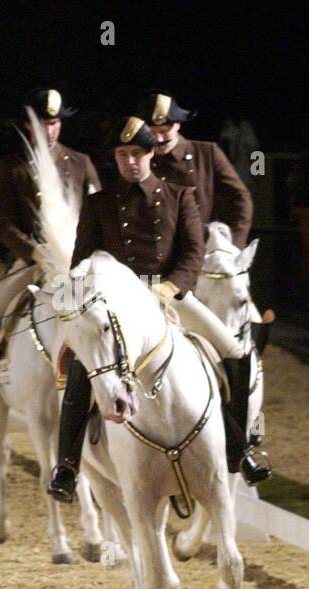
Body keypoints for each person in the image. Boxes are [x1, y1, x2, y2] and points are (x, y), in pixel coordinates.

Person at [48, 117, 271, 503]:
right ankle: (67, 465)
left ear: (151, 153)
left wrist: (170, 287)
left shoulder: (179, 196)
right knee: (85, 363)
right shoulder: (100, 203)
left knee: (234, 351)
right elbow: (81, 261)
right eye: (122, 155)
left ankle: (240, 449)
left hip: (169, 295)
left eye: (137, 153)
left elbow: (193, 253)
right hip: (117, 303)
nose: (130, 162)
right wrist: (88, 294)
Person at [0, 88, 100, 430]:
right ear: (30, 126)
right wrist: (34, 251)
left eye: (55, 123)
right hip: (32, 261)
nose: (50, 130)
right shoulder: (11, 167)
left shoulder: (80, 162)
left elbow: (97, 212)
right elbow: (2, 224)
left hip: (77, 261)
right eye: (43, 123)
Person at [135, 90, 253, 247]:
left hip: (202, 247)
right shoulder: (136, 158)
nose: (158, 139)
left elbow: (240, 197)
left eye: (164, 131)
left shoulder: (207, 153)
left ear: (178, 125)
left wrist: (234, 244)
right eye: (152, 133)